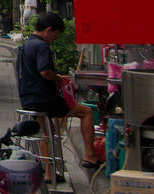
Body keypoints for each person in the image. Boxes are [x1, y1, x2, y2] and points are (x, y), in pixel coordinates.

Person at [16, 13, 102, 178]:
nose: (55, 38)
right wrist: (57, 78)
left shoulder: (26, 44)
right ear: (49, 30)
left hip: (28, 99)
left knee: (48, 132)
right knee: (86, 112)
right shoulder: (42, 46)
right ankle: (89, 155)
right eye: (56, 34)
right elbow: (45, 72)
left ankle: (49, 173)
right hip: (45, 99)